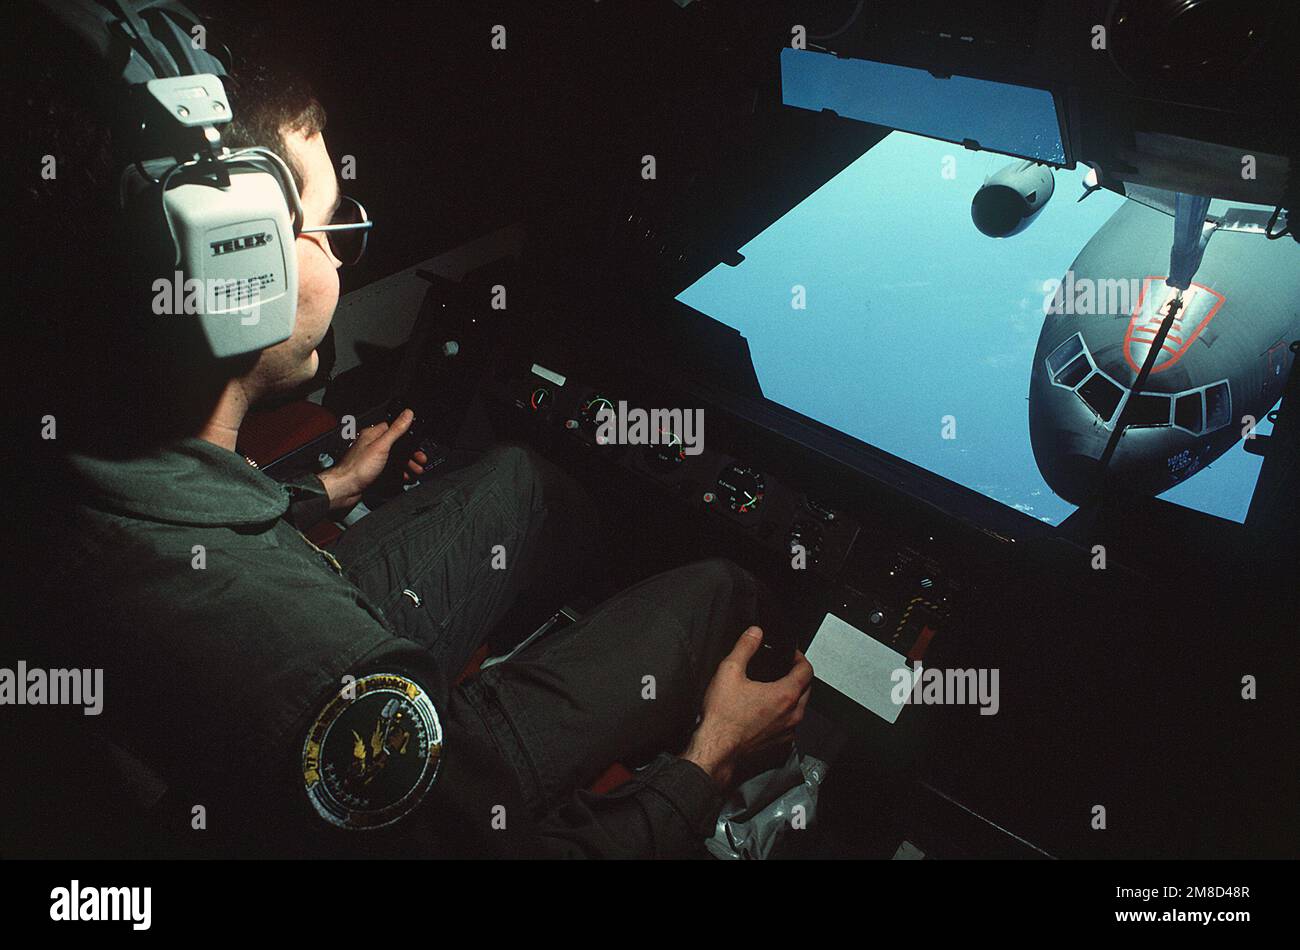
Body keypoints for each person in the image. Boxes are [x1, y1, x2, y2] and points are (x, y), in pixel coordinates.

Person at [7, 3, 812, 858]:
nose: (338, 256)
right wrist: (706, 762)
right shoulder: (330, 681)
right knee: (719, 585)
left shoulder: (57, 448)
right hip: (370, 748)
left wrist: (317, 493)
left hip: (243, 679)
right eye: (327, 226)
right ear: (231, 265)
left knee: (519, 480)